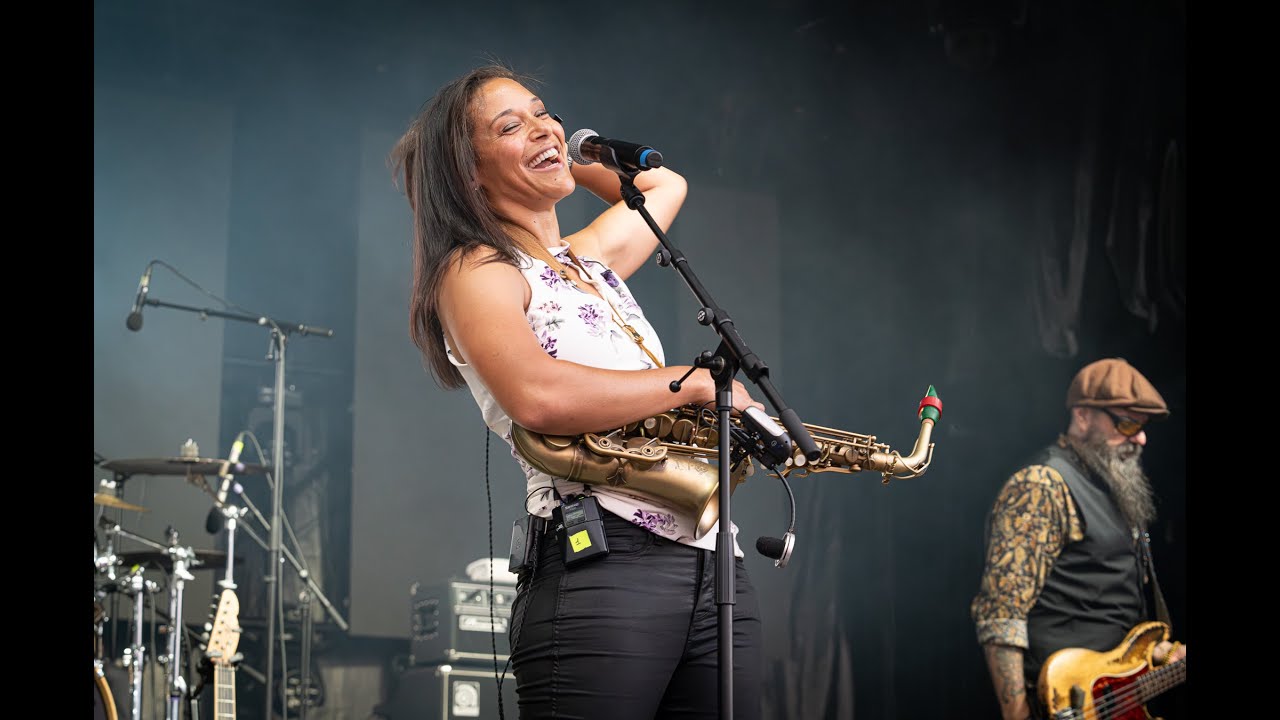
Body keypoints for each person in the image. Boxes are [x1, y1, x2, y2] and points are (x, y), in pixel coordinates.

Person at [389, 64, 765, 719]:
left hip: (710, 561)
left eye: (545, 114)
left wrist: (577, 152)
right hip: (604, 565)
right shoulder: (477, 270)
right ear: (467, 172)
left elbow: (660, 184)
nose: (543, 129)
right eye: (511, 126)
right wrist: (694, 385)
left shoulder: (588, 261)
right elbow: (536, 395)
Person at [971, 357, 1187, 720]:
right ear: (1083, 416)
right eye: (1127, 423)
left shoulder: (1117, 489)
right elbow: (1001, 616)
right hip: (1063, 703)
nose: (1141, 438)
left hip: (1116, 698)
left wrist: (1161, 655)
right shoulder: (1042, 486)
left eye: (1143, 425)